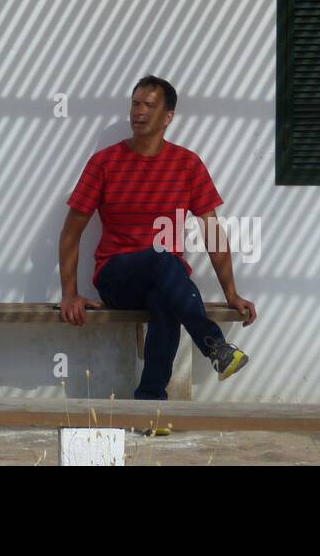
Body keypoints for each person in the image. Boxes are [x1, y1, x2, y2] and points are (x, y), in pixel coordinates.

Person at [58, 75, 257, 399]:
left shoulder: (187, 164)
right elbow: (71, 231)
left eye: (150, 105)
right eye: (135, 104)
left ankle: (150, 402)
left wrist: (231, 293)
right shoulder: (105, 163)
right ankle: (215, 346)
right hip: (117, 277)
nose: (139, 111)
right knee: (166, 261)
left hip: (167, 279)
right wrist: (70, 293)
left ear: (168, 117)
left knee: (166, 295)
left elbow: (212, 232)